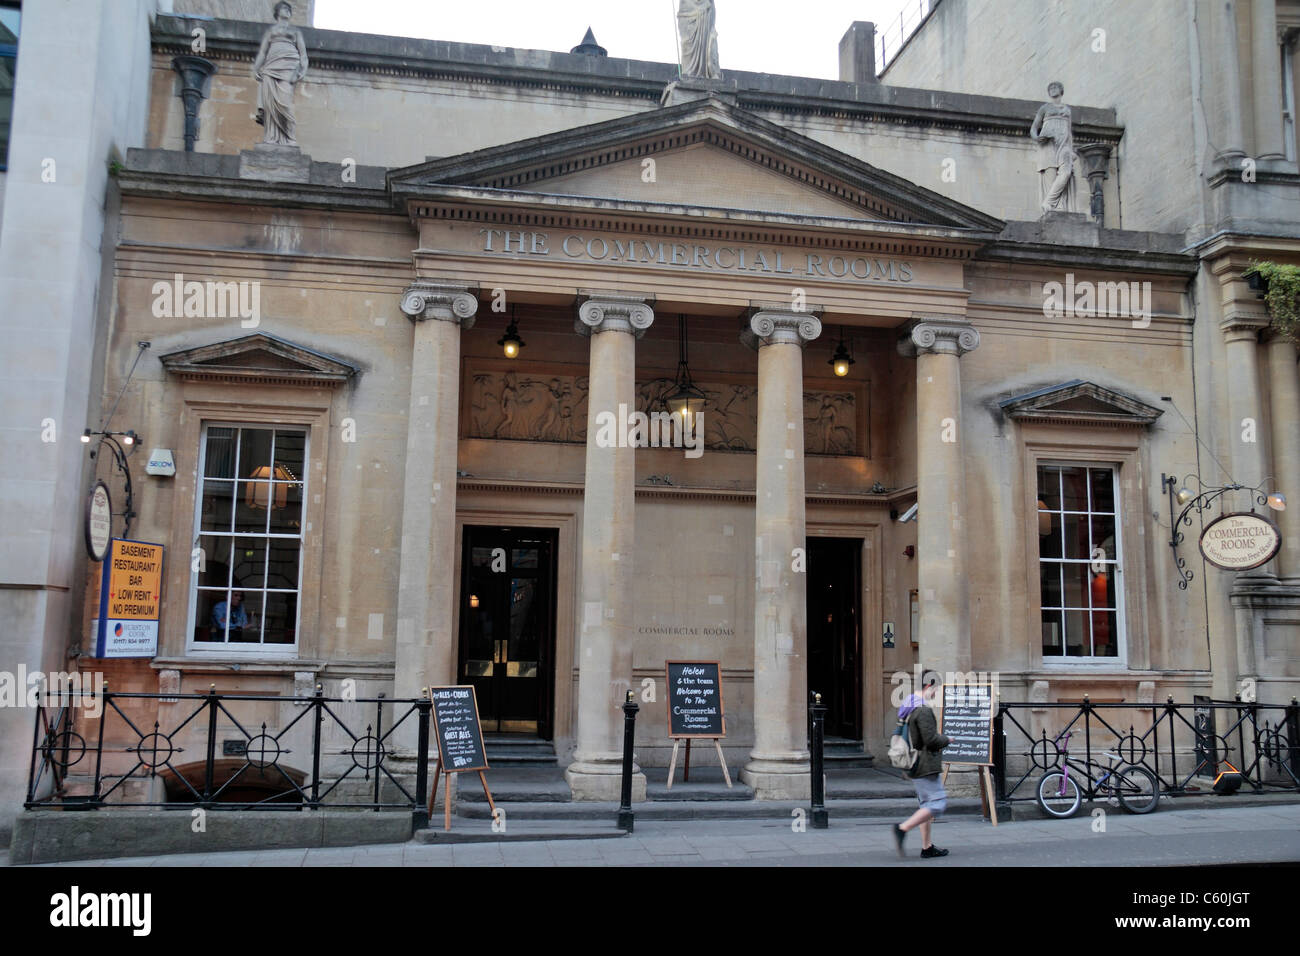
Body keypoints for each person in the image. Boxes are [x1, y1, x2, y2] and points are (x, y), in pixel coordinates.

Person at [892, 669, 951, 858]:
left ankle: (927, 847)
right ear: (928, 686)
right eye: (935, 689)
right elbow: (931, 740)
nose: (935, 694)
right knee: (938, 803)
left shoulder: (908, 705)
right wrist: (948, 739)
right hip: (924, 764)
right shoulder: (923, 709)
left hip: (913, 762)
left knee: (925, 804)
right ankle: (903, 828)